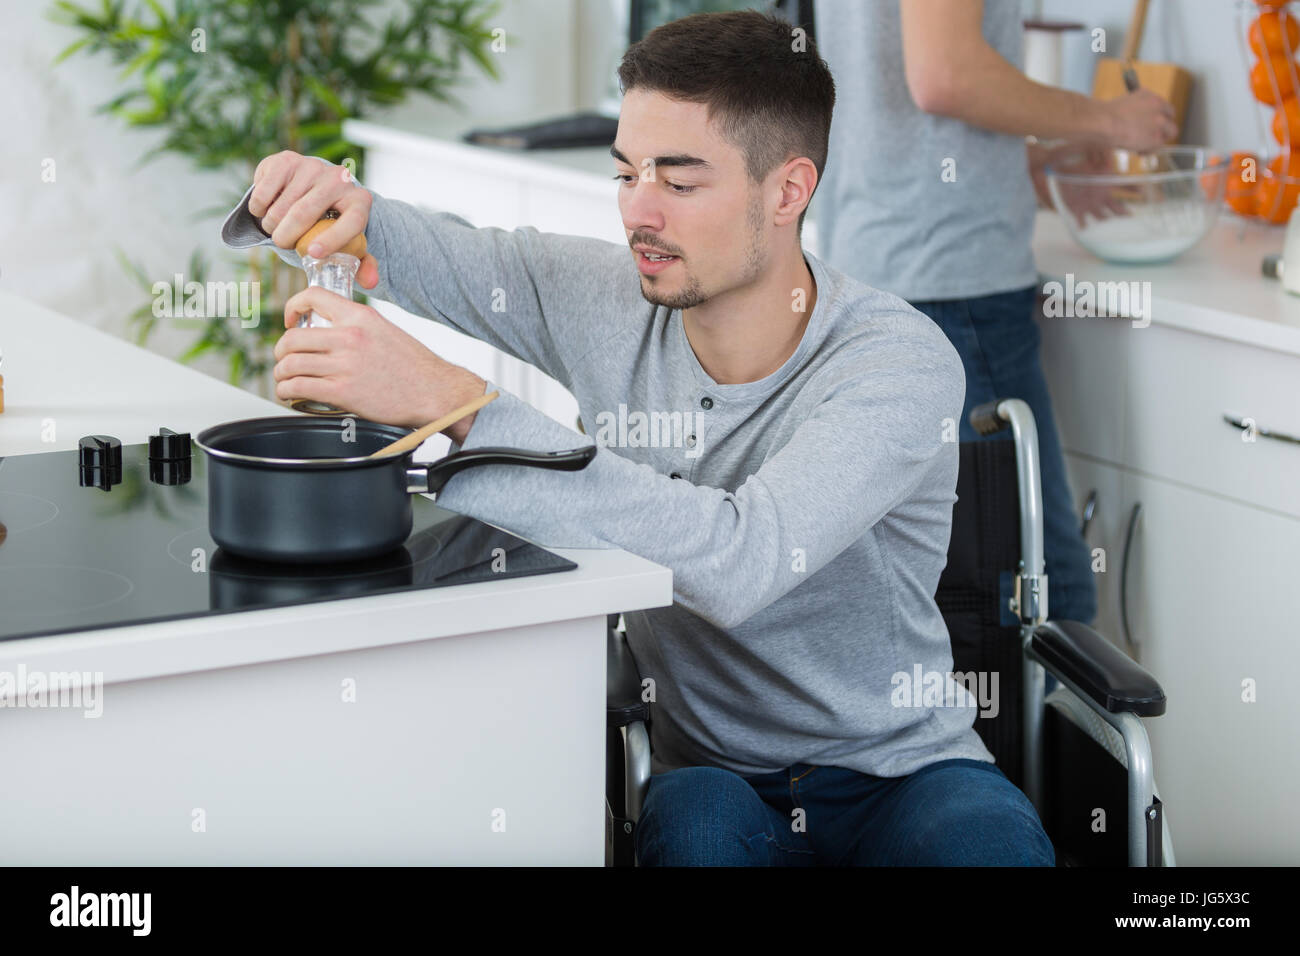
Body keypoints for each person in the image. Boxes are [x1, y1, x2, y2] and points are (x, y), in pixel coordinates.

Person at [221, 10, 1052, 865]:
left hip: (905, 772)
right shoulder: (605, 296)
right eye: (626, 173)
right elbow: (398, 241)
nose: (638, 215)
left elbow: (743, 561)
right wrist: (314, 197)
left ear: (789, 190)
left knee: (990, 849)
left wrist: (458, 405)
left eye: (680, 184)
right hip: (713, 773)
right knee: (694, 834)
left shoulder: (898, 361)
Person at [814, 0, 1177, 628]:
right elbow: (946, 74)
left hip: (875, 263)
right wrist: (1108, 120)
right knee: (1046, 599)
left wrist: (1022, 163)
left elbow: (896, 91)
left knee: (933, 591)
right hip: (952, 282)